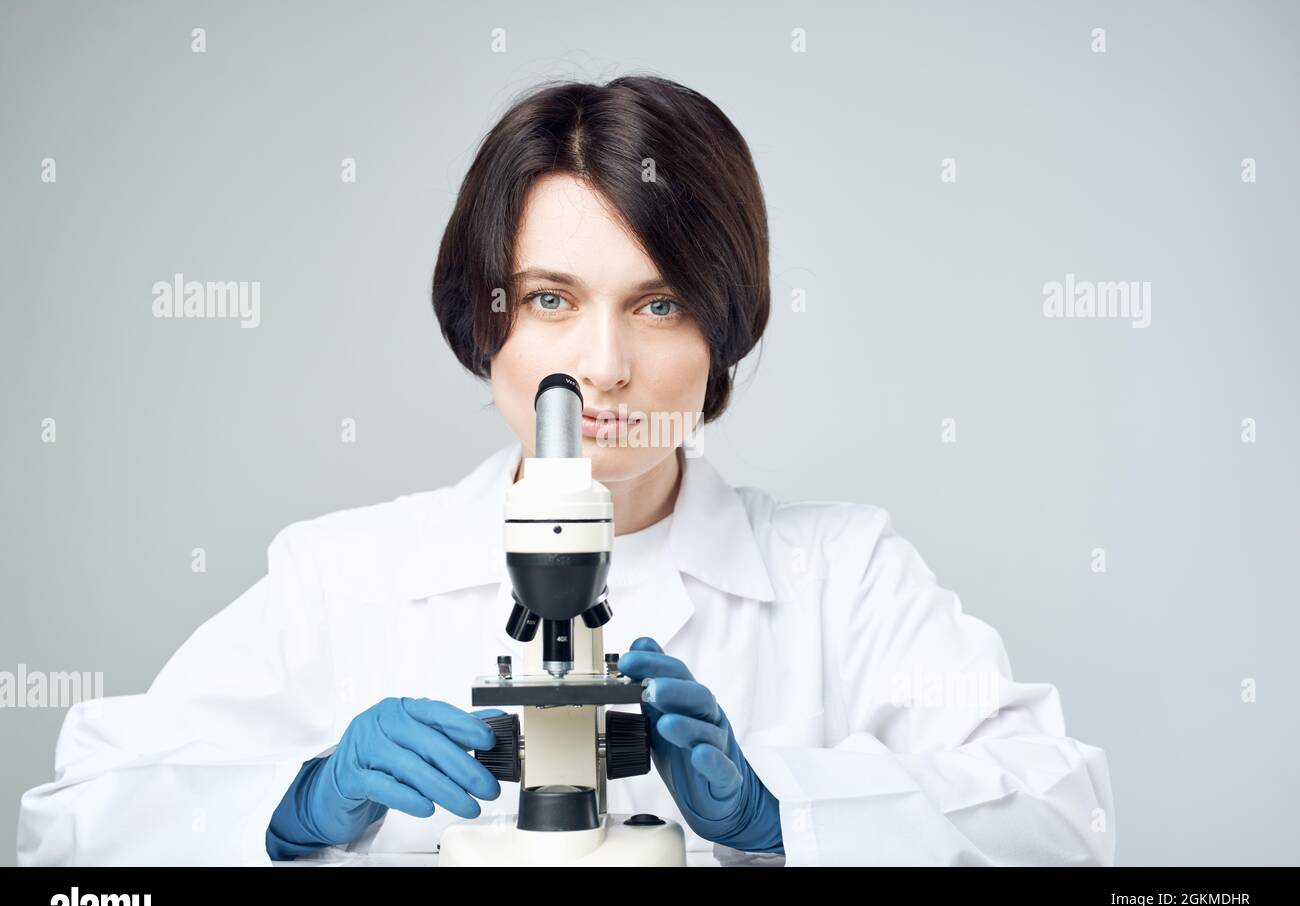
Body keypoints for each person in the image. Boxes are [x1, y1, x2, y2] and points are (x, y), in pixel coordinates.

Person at [17, 75, 1114, 866]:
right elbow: (68, 834)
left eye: (659, 303)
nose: (603, 367)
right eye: (551, 300)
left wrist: (783, 814)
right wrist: (297, 805)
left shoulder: (844, 577)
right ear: (481, 319)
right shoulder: (343, 576)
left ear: (722, 330)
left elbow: (1064, 825)